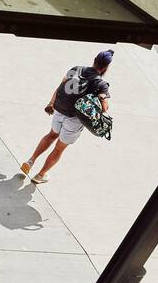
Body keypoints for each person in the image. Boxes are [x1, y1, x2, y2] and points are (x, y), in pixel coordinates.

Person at [20, 48, 114, 184]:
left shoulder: (76, 69)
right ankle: (40, 175)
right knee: (59, 148)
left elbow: (61, 86)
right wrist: (102, 97)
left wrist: (51, 103)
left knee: (51, 135)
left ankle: (31, 160)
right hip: (74, 119)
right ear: (106, 67)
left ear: (94, 60)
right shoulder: (101, 84)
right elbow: (104, 109)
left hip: (59, 108)